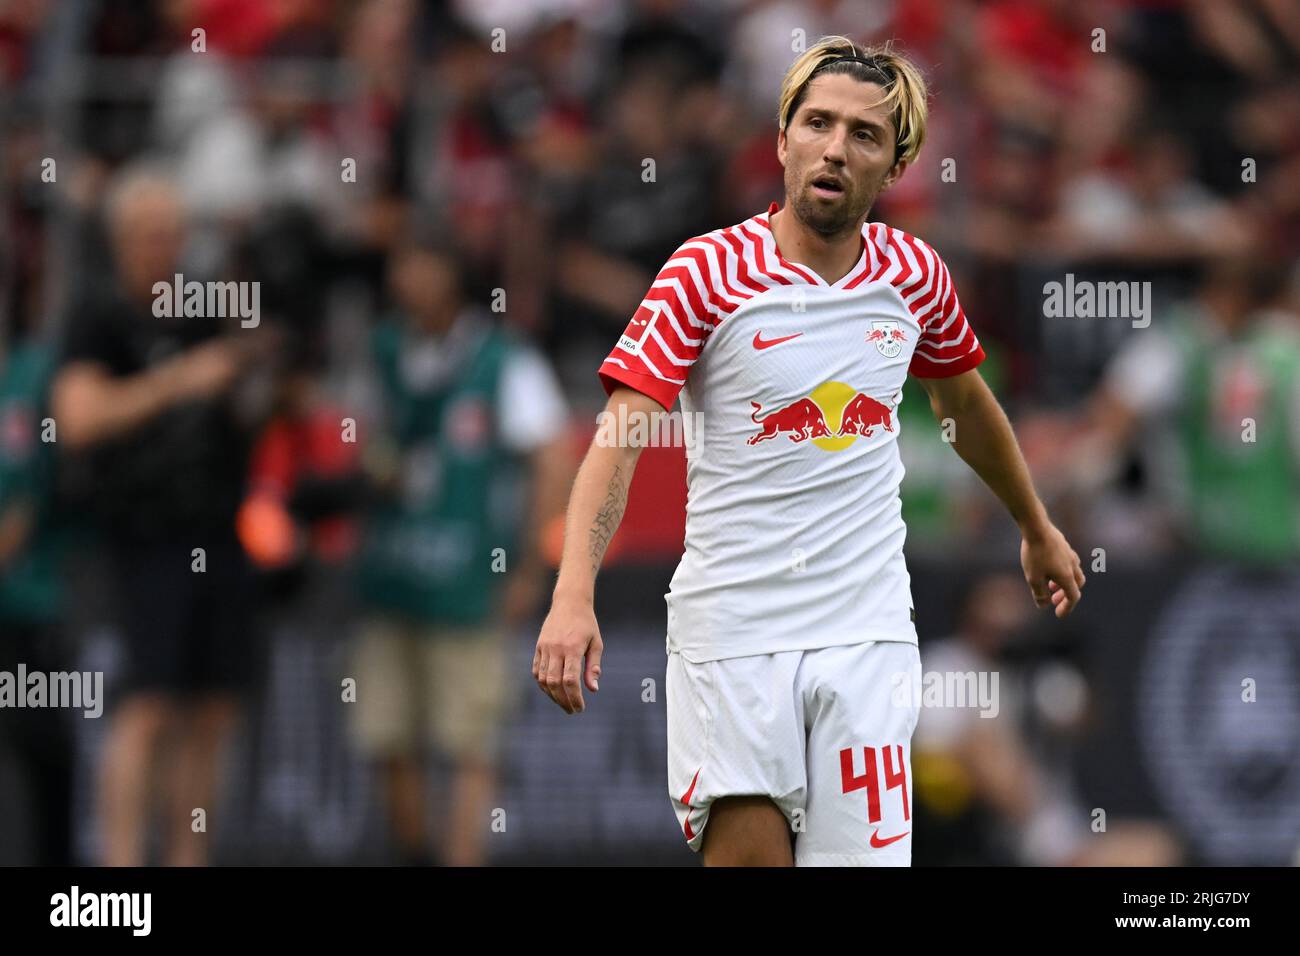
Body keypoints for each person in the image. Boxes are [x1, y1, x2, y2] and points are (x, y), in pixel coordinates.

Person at [531, 37, 1085, 867]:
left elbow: (966, 407)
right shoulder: (704, 272)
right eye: (817, 123)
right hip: (734, 630)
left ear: (894, 165)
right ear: (783, 138)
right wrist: (574, 593)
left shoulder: (915, 275)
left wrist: (1036, 527)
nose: (835, 147)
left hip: (865, 634)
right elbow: (620, 439)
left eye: (864, 135)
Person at [51, 164, 265, 865]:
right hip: (140, 539)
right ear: (118, 241)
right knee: (145, 706)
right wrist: (180, 380)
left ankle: (186, 858)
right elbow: (79, 419)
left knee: (211, 708)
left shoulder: (206, 307)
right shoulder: (98, 318)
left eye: (172, 234)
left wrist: (257, 370)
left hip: (219, 532)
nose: (162, 248)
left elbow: (252, 399)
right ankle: (120, 874)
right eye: (148, 235)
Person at [350, 238, 570, 866]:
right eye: (401, 262)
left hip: (471, 583)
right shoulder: (385, 349)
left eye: (420, 260)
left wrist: (531, 566)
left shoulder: (502, 359)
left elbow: (554, 459)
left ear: (452, 274)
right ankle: (417, 854)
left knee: (471, 743)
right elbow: (368, 446)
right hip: (391, 578)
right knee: (385, 738)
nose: (406, 275)